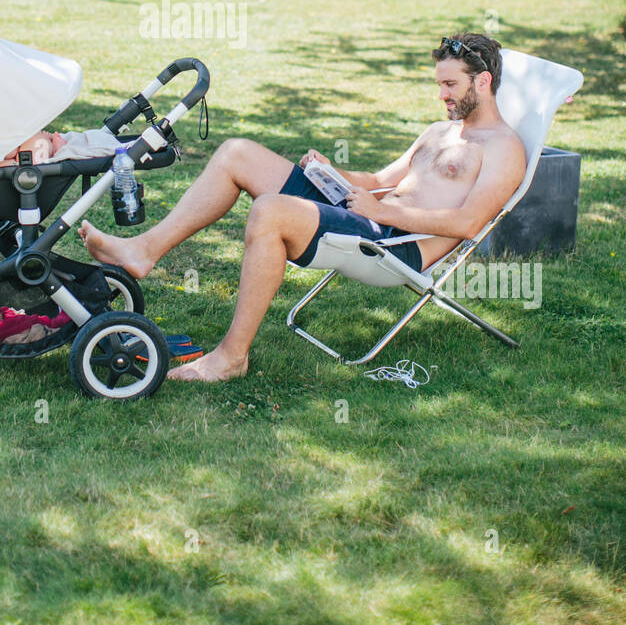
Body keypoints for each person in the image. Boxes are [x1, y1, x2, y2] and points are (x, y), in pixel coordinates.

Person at [78, 32, 527, 383]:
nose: (443, 95)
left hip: (394, 245)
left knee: (271, 210)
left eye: (450, 85)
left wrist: (384, 212)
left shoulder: (504, 149)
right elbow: (377, 183)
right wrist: (334, 173)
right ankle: (145, 250)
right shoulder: (439, 131)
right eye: (440, 84)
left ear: (482, 82)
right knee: (238, 152)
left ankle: (232, 357)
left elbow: (468, 224)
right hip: (369, 215)